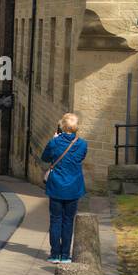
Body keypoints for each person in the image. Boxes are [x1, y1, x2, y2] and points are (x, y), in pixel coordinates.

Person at [40, 112, 88, 264]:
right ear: (75, 127)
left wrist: (54, 140)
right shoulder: (82, 144)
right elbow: (80, 158)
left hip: (56, 187)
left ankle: (54, 254)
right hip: (73, 187)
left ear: (62, 126)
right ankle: (66, 255)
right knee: (68, 221)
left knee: (55, 220)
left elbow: (45, 157)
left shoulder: (55, 142)